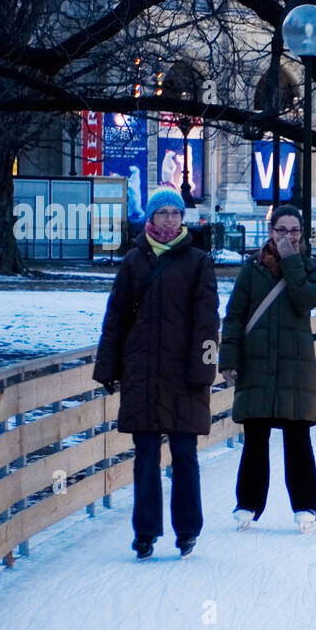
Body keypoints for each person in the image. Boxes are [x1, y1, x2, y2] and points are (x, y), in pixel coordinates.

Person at [94, 187, 219, 561]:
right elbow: (115, 318)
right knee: (146, 455)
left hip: (184, 376)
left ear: (183, 219)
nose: (168, 219)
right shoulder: (134, 261)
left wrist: (203, 370)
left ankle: (188, 530)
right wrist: (108, 368)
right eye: (162, 212)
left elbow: (207, 322)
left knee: (184, 453)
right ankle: (145, 532)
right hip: (144, 373)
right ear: (150, 218)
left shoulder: (198, 262)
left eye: (175, 213)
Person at [218, 205, 316, 534]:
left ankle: (306, 505)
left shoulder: (309, 267)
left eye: (294, 230)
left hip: (295, 368)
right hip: (258, 365)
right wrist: (229, 359)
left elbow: (306, 300)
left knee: (297, 438)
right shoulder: (252, 269)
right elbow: (235, 315)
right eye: (281, 230)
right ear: (270, 232)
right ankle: (248, 504)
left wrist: (291, 260)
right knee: (255, 437)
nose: (288, 236)